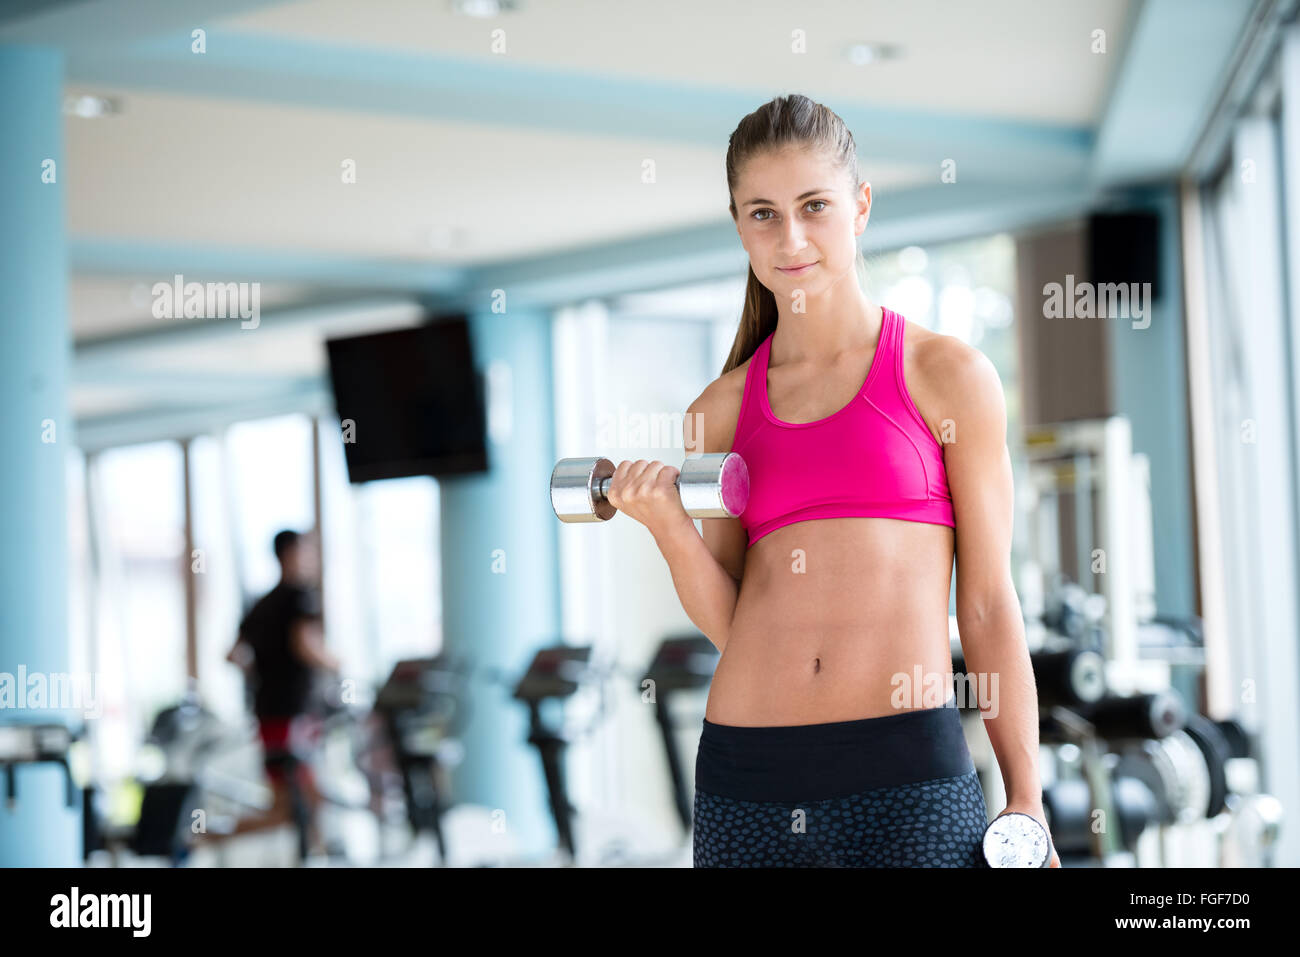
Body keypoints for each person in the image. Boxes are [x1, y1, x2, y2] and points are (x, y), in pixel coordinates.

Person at [606, 94, 1059, 868]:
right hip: (746, 774)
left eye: (814, 205)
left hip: (905, 768)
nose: (790, 237)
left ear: (861, 206)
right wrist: (669, 530)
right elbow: (736, 622)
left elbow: (985, 603)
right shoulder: (718, 410)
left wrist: (1026, 795)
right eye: (762, 213)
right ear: (738, 223)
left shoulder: (945, 375)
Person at [221, 529, 341, 856]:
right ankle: (196, 837)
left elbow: (232, 654)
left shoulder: (261, 603)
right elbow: (305, 644)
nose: (313, 559)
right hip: (292, 711)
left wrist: (262, 671)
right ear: (290, 554)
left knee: (295, 804)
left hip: (267, 711)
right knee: (297, 805)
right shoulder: (300, 596)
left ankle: (317, 856)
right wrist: (339, 665)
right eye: (307, 551)